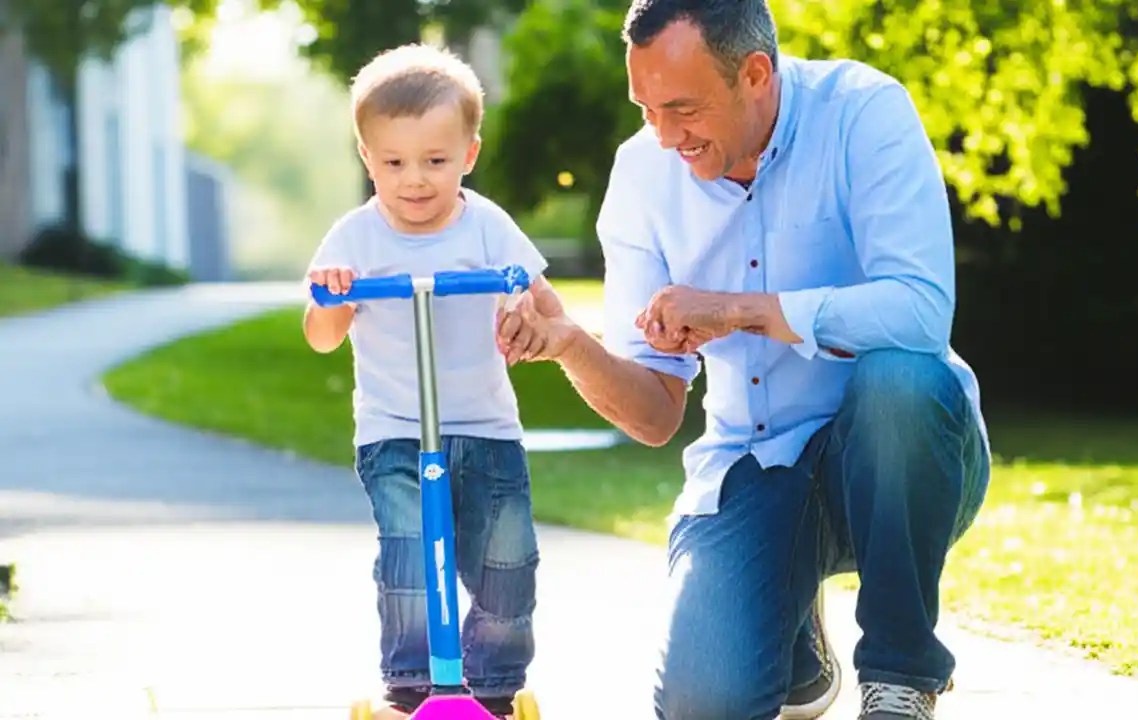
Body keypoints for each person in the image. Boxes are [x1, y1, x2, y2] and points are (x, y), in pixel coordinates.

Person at [495, 1, 992, 718]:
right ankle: (795, 643)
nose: (664, 137)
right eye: (646, 110)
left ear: (755, 73)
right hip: (756, 465)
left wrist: (737, 309)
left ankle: (900, 677)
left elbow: (919, 313)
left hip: (902, 458)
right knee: (704, 703)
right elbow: (656, 414)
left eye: (682, 109)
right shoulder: (642, 175)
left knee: (901, 377)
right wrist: (571, 342)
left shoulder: (864, 114)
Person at [303, 43, 556, 719]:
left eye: (435, 161)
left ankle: (495, 689)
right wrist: (336, 298)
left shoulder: (488, 228)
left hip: (486, 427)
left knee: (508, 564)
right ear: (368, 160)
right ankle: (413, 687)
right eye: (393, 163)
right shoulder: (354, 240)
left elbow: (543, 304)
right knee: (411, 558)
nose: (414, 180)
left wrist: (529, 312)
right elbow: (321, 336)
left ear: (468, 154)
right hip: (393, 431)